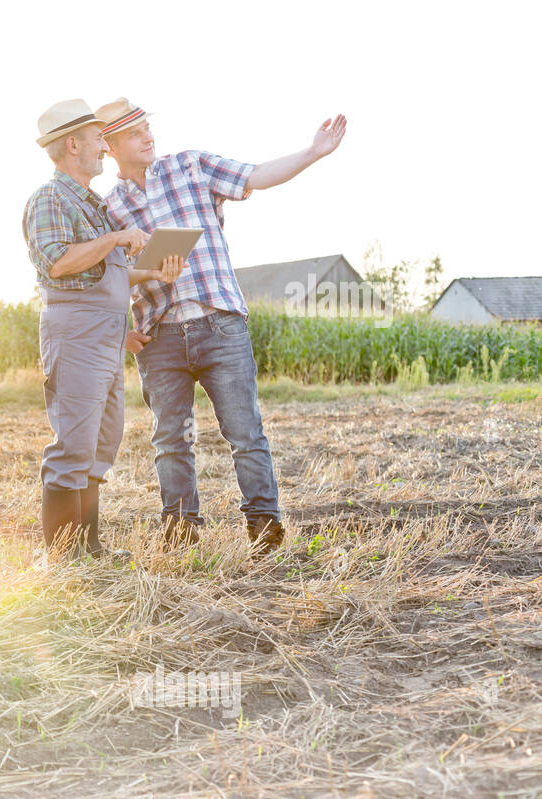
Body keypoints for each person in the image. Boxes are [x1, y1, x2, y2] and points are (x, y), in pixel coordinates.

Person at [97, 98, 347, 554]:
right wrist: (119, 330)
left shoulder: (191, 166)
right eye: (134, 134)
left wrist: (312, 153)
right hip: (160, 336)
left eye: (147, 127)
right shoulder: (108, 209)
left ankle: (265, 530)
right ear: (110, 146)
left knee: (245, 433)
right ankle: (180, 534)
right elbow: (105, 277)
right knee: (170, 440)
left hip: (220, 325)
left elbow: (256, 175)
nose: (148, 136)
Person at [23, 99, 184, 558]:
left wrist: (151, 274)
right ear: (73, 144)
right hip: (75, 331)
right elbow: (58, 262)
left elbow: (103, 270)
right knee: (74, 442)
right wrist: (115, 238)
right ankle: (62, 557)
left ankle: (88, 546)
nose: (103, 148)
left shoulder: (89, 202)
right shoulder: (49, 199)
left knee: (101, 441)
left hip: (107, 334)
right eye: (98, 139)